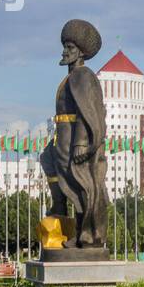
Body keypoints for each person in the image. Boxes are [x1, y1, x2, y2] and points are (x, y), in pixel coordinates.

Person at [39, 19, 109, 249]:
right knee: (61, 180)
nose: (65, 52)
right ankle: (68, 228)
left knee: (81, 189)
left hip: (74, 143)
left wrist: (80, 143)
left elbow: (87, 112)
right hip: (62, 141)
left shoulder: (82, 75)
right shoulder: (70, 77)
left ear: (80, 52)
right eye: (65, 46)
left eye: (70, 48)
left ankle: (86, 235)